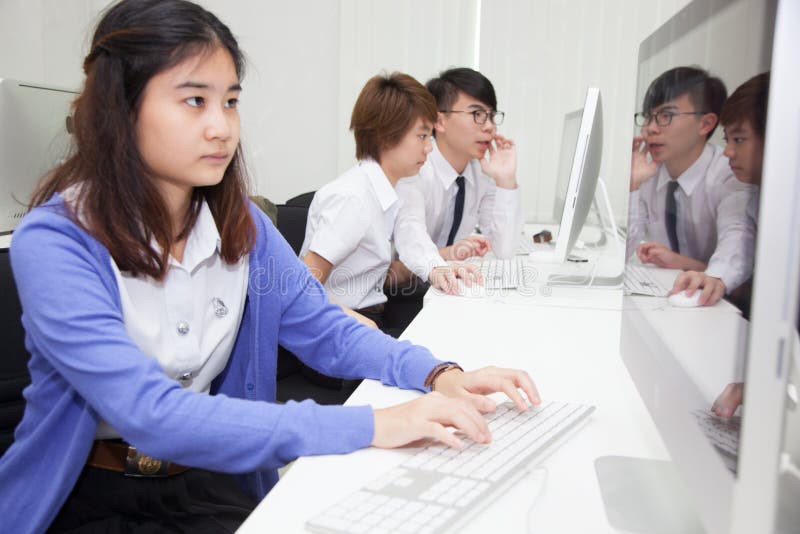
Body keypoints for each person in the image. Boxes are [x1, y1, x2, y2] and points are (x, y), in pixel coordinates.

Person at [0, 1, 541, 531]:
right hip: (83, 494)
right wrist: (374, 424)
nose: (222, 127)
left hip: (207, 481)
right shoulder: (56, 240)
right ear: (121, 107)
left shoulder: (243, 227)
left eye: (230, 101)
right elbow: (151, 413)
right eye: (194, 101)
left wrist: (437, 374)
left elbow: (323, 327)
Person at [300, 72, 477, 334]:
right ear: (386, 135)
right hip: (333, 328)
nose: (429, 148)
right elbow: (301, 288)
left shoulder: (395, 187)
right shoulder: (354, 198)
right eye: (422, 136)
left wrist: (440, 268)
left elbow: (412, 236)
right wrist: (356, 324)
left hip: (367, 316)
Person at [627, 66, 757, 303]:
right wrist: (633, 186)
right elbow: (623, 255)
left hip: (724, 303)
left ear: (705, 124)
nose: (650, 128)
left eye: (665, 116)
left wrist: (714, 275)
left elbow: (737, 236)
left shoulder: (729, 173)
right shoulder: (651, 171)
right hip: (673, 294)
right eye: (648, 116)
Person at [393, 67, 523, 294]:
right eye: (477, 114)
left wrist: (506, 180)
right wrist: (446, 256)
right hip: (395, 293)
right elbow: (409, 247)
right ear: (439, 121)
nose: (490, 126)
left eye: (492, 115)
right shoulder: (416, 170)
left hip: (442, 289)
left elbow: (504, 250)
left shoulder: (481, 172)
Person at [671, 72, 769, 309]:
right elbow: (738, 231)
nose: (728, 152)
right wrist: (714, 276)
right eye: (728, 140)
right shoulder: (749, 188)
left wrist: (715, 276)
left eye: (739, 139)